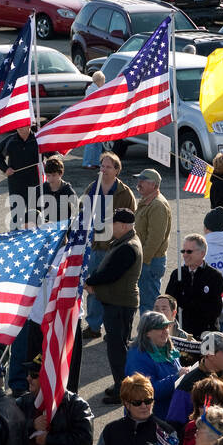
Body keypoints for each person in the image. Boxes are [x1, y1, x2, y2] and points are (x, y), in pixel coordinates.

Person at [85, 207, 142, 404]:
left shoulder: (128, 247)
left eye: (114, 223)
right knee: (118, 347)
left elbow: (112, 274)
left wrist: (90, 281)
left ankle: (123, 390)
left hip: (119, 304)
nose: (110, 225)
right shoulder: (124, 242)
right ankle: (121, 384)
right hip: (117, 302)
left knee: (118, 349)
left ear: (124, 226)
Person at [81, 152, 136, 339]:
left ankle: (112, 328)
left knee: (112, 288)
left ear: (117, 170)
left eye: (108, 167)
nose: (103, 170)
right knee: (93, 286)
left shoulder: (124, 193)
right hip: (95, 246)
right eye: (102, 166)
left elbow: (130, 220)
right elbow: (83, 214)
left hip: (115, 248)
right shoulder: (92, 188)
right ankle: (94, 326)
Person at [165, 235, 223, 339]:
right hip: (181, 334)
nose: (185, 255)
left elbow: (215, 310)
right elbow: (169, 303)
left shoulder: (214, 276)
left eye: (189, 251)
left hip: (207, 335)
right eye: (183, 251)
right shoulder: (177, 274)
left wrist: (188, 302)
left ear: (202, 253)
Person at [124, 311, 182, 417]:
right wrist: (177, 378)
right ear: (147, 333)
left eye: (166, 327)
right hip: (150, 419)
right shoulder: (138, 358)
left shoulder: (169, 348)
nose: (165, 332)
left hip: (171, 413)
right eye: (160, 328)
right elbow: (145, 392)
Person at [133, 168, 172, 316]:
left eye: (143, 181)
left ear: (154, 185)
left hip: (150, 261)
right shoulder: (147, 201)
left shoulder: (157, 205)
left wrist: (143, 259)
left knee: (149, 303)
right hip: (147, 260)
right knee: (146, 300)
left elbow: (155, 238)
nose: (139, 183)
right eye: (139, 180)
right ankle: (148, 333)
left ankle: (150, 335)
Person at [0, 122, 41, 229]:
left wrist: (47, 164)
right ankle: (16, 238)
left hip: (35, 183)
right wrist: (5, 168)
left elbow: (52, 154)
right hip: (16, 184)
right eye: (17, 124)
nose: (19, 127)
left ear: (29, 125)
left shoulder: (39, 139)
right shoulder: (11, 140)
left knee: (34, 214)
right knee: (17, 216)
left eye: (22, 124)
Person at [36, 156, 76, 225]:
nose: (51, 179)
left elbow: (75, 214)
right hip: (43, 229)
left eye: (54, 175)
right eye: (48, 175)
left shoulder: (68, 191)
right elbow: (32, 213)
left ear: (61, 174)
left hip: (62, 230)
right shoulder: (39, 190)